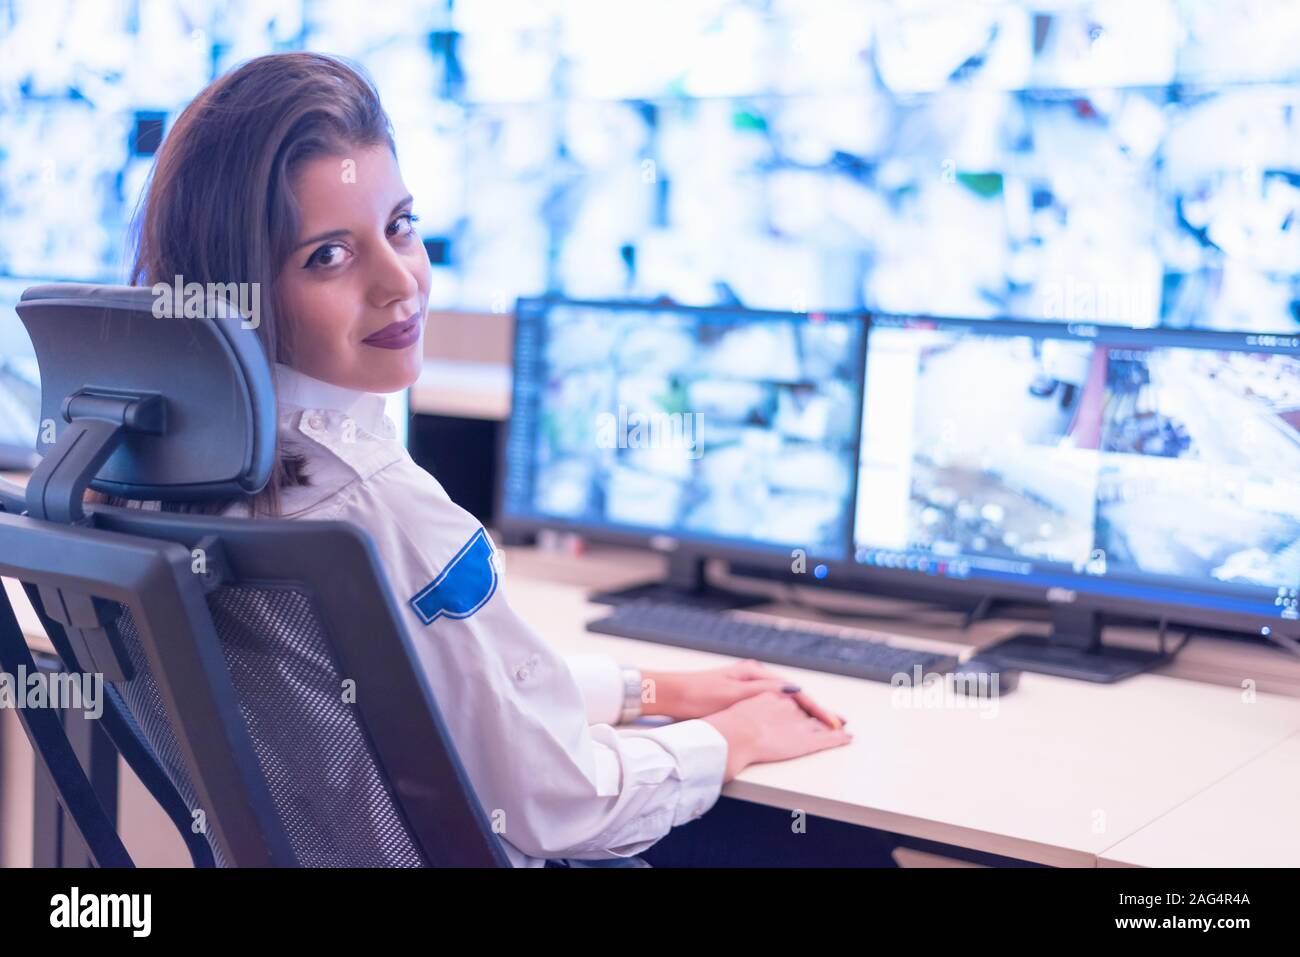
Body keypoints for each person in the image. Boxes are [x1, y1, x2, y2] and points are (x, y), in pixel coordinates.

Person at [125, 52, 854, 866]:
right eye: (329, 255)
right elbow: (557, 802)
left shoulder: (166, 482)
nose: (400, 281)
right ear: (239, 290)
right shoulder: (372, 505)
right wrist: (731, 738)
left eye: (400, 225)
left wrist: (651, 689)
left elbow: (446, 700)